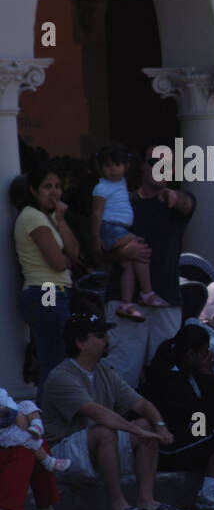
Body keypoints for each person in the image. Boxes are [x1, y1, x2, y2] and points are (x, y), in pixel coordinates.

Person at [41, 313, 184, 510]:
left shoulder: (104, 372)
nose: (107, 340)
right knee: (107, 431)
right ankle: (118, 506)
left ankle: (147, 500)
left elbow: (141, 404)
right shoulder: (62, 376)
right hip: (60, 454)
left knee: (146, 426)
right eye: (100, 335)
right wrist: (137, 431)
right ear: (80, 343)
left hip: (96, 445)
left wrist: (160, 426)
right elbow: (98, 413)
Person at [102, 156, 196, 389]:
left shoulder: (179, 202)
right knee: (122, 374)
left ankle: (161, 423)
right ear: (142, 166)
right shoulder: (122, 203)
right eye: (154, 160)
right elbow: (99, 250)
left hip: (166, 300)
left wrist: (174, 196)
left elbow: (187, 204)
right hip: (126, 303)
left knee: (167, 374)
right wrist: (123, 254)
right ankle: (114, 425)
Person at [139, 323, 214, 510]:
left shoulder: (191, 372)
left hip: (191, 431)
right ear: (191, 354)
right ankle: (208, 490)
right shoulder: (169, 379)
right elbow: (199, 414)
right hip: (173, 445)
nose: (208, 357)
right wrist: (207, 377)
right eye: (205, 352)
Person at [12, 165, 78, 399]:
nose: (54, 192)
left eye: (57, 186)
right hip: (46, 290)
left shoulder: (50, 217)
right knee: (53, 363)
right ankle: (45, 424)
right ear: (33, 190)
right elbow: (59, 262)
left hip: (56, 290)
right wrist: (66, 259)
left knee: (57, 360)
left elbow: (74, 252)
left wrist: (60, 219)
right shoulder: (32, 217)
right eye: (47, 187)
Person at [91, 143, 163, 321]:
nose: (112, 169)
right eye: (107, 165)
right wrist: (95, 237)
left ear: (126, 166)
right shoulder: (101, 187)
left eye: (117, 164)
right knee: (139, 249)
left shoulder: (122, 183)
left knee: (128, 265)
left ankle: (126, 304)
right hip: (111, 228)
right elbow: (97, 213)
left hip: (120, 228)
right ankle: (147, 293)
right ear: (100, 168)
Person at [0, 388, 70, 473]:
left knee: (27, 404)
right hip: (6, 431)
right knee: (29, 438)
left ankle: (37, 426)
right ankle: (48, 462)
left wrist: (17, 414)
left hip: (13, 414)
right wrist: (16, 415)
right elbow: (3, 405)